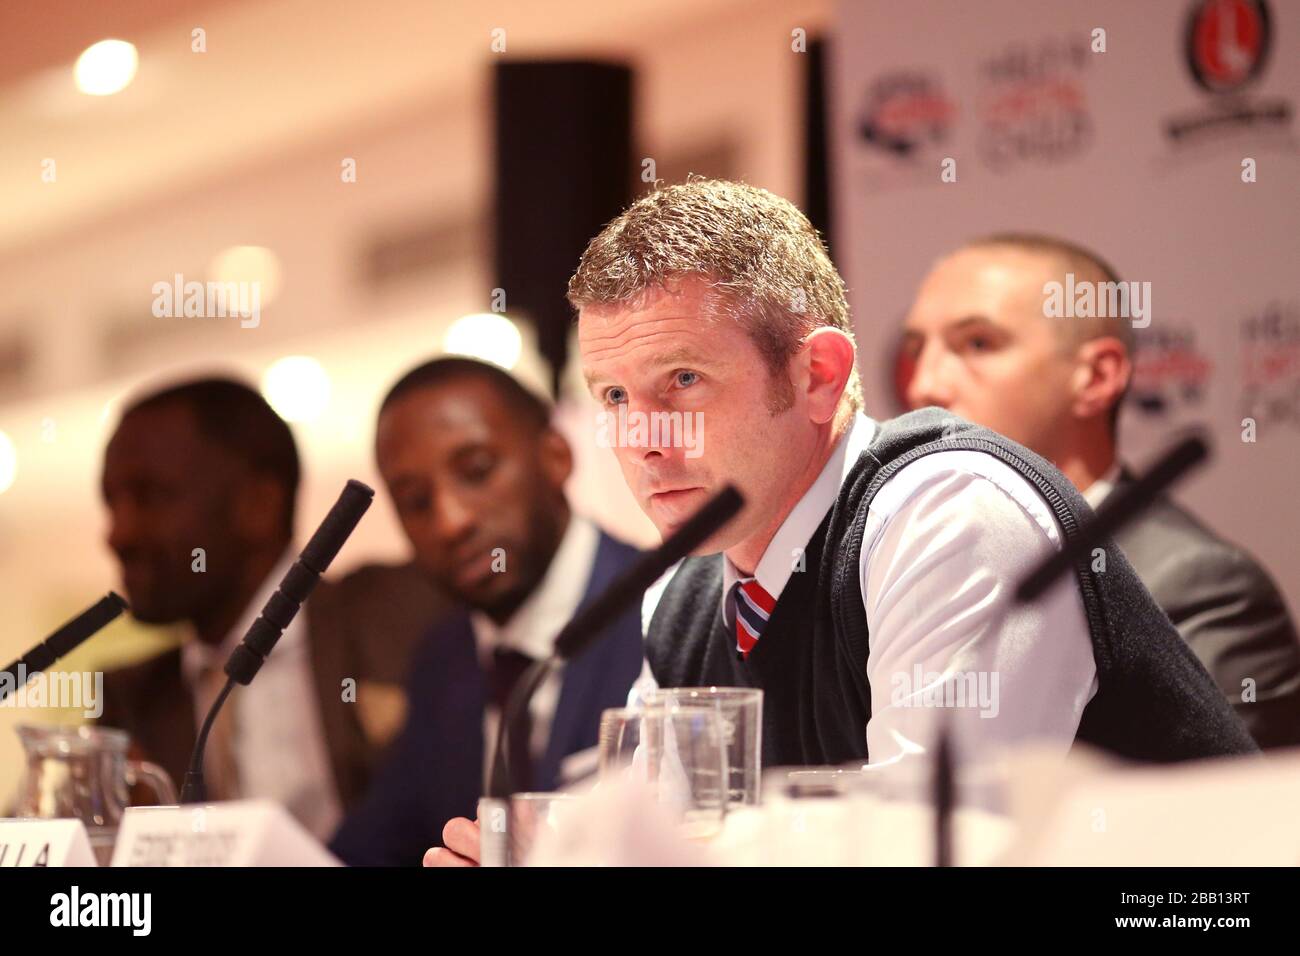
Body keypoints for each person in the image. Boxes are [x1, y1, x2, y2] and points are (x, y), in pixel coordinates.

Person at [428, 177, 1255, 866]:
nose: (641, 441)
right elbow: (660, 842)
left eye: (681, 380)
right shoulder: (676, 599)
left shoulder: (947, 512)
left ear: (819, 375)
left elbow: (925, 847)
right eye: (614, 397)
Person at [901, 234, 1300, 749]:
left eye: (978, 343)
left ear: (1096, 377)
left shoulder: (1202, 588)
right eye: (916, 351)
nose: (924, 386)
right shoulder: (909, 564)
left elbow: (1215, 817)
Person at [330, 357, 644, 866]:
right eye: (415, 501)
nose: (451, 521)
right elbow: (370, 847)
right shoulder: (443, 656)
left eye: (476, 471)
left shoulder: (670, 610)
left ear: (556, 456)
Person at [98, 377, 439, 840]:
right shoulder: (131, 698)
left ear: (258, 505)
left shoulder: (402, 614)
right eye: (111, 502)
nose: (119, 534)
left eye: (151, 496)